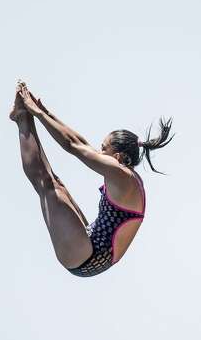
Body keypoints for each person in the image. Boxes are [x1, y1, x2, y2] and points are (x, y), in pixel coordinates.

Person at [9, 82, 173, 277]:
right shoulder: (124, 175)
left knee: (48, 185)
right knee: (57, 185)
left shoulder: (122, 176)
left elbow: (72, 145)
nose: (99, 152)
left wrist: (37, 113)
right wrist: (46, 112)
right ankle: (24, 115)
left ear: (119, 157)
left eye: (104, 149)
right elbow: (81, 143)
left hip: (86, 258)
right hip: (90, 241)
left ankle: (22, 118)